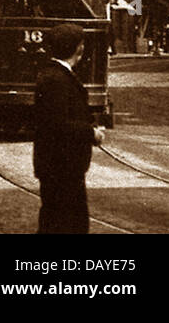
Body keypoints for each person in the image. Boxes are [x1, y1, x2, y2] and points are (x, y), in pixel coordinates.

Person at [33, 22, 103, 234]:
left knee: (57, 222)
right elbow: (58, 124)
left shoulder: (53, 75)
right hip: (62, 166)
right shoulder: (57, 79)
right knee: (69, 225)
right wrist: (91, 133)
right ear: (78, 48)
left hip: (58, 165)